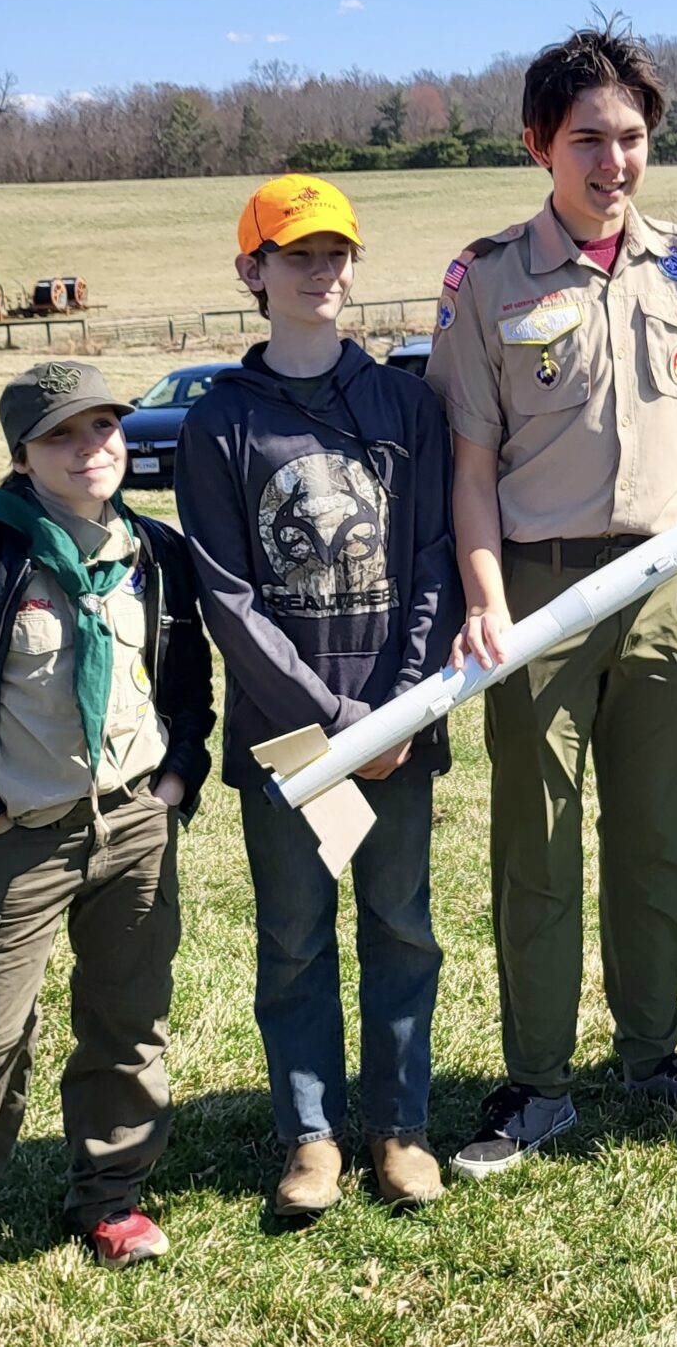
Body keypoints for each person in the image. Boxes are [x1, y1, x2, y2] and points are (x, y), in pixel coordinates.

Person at [424, 23, 677, 1180]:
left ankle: (654, 1055)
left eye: (631, 137)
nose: (614, 161)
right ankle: (537, 1083)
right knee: (540, 841)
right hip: (534, 591)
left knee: (655, 838)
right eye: (588, 140)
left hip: (667, 581)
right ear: (539, 146)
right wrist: (485, 599)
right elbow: (471, 467)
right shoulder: (486, 281)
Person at [0, 360, 214, 1318]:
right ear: (21, 456)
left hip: (135, 826)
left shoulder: (156, 552)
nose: (91, 448)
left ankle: (110, 1195)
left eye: (104, 427)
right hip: (22, 834)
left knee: (127, 1017)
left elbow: (184, 682)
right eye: (63, 435)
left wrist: (176, 778)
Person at [176, 175, 460, 1211]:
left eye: (337, 251)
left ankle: (398, 1128)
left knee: (401, 923)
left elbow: (433, 557)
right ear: (252, 270)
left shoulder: (400, 404)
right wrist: (332, 722)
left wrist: (401, 708)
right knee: (294, 938)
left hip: (401, 729)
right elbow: (228, 594)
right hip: (288, 739)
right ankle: (311, 1138)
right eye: (298, 254)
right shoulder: (220, 425)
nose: (323, 271)